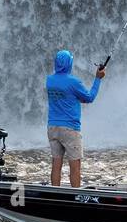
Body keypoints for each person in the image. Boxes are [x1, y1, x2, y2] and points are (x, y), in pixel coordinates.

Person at [45, 49, 105, 188]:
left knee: (56, 165)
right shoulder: (73, 82)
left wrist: (77, 98)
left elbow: (66, 96)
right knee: (75, 167)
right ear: (69, 64)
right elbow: (89, 97)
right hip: (70, 129)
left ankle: (55, 194)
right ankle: (77, 195)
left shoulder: (50, 80)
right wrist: (98, 78)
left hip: (52, 127)